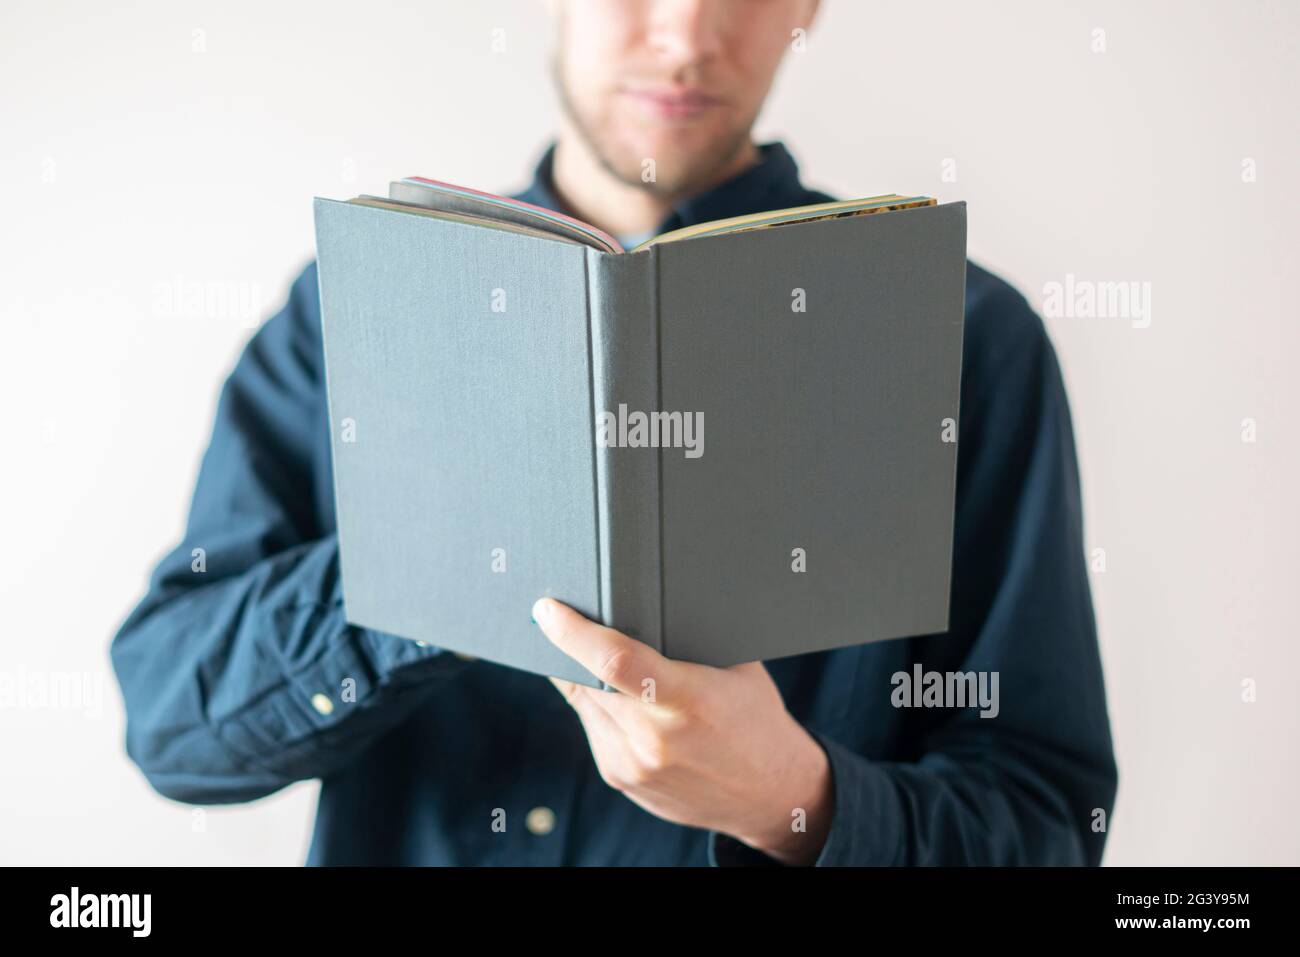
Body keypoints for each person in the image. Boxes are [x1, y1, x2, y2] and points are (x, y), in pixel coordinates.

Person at [111, 0, 1117, 866]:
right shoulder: (349, 306)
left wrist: (790, 800)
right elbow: (172, 728)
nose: (686, 37)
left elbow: (1047, 820)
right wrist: (428, 579)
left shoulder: (962, 337)